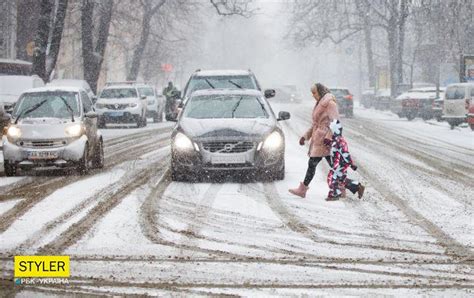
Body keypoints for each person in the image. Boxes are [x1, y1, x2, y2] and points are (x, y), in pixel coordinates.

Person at [289, 83, 339, 198]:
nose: (313, 95)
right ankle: (353, 186)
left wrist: (329, 138)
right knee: (332, 166)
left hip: (325, 140)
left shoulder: (330, 103)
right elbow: (316, 125)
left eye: (314, 92)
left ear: (320, 91)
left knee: (313, 164)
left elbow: (336, 122)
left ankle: (302, 190)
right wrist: (305, 136)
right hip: (319, 139)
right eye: (312, 93)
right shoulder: (320, 103)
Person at [325, 119, 365, 201]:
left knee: (332, 178)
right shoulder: (336, 139)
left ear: (335, 129)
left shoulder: (340, 141)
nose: (330, 131)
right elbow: (335, 146)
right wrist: (329, 143)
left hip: (340, 164)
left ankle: (334, 194)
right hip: (338, 164)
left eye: (331, 129)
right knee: (340, 180)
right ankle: (357, 186)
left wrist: (351, 164)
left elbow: (345, 153)